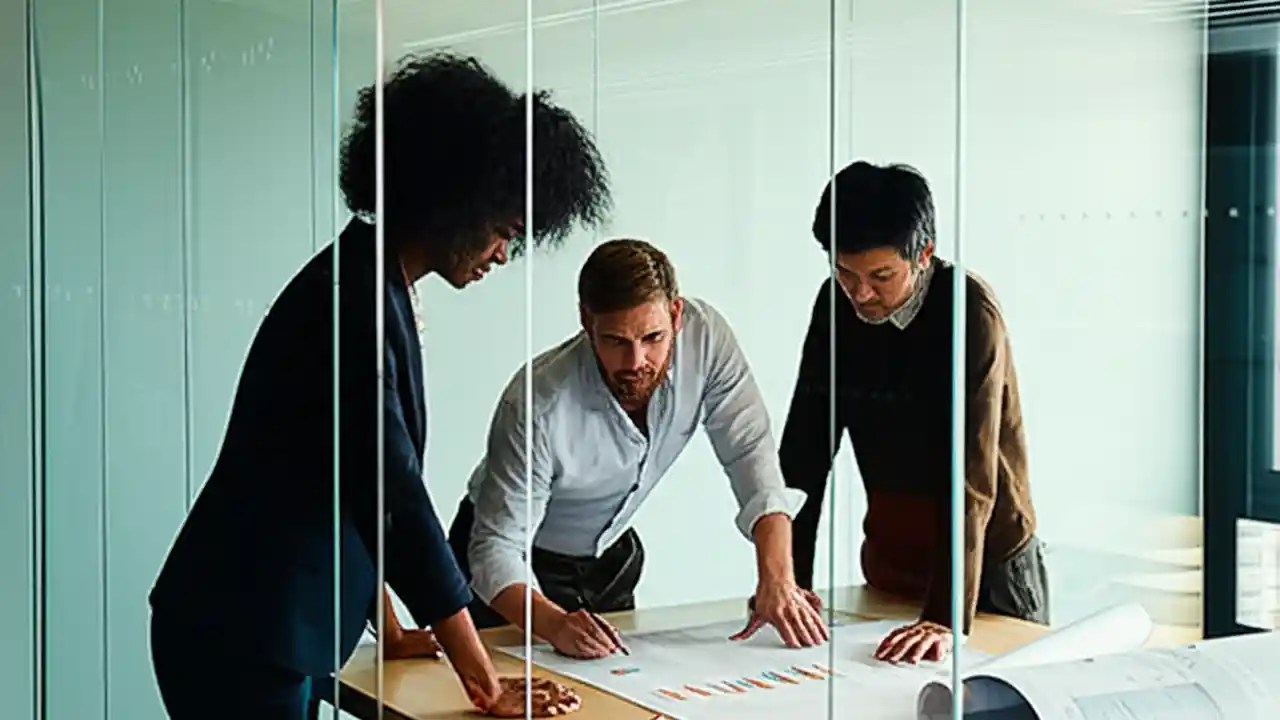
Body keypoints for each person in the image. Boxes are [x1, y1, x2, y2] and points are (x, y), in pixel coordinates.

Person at [148, 52, 610, 718]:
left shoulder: (371, 280)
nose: (502, 255)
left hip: (273, 627)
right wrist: (482, 679)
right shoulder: (351, 299)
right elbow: (390, 492)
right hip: (244, 630)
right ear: (453, 201)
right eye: (502, 231)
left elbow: (351, 486)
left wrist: (391, 633)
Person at [446, 237, 828, 660]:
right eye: (615, 341)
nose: (635, 362)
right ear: (586, 321)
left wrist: (778, 579)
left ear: (677, 315)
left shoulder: (706, 340)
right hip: (506, 573)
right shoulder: (536, 404)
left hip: (609, 562)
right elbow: (497, 547)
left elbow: (750, 453)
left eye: (652, 337)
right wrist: (554, 623)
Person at [780, 161, 1047, 666]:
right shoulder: (835, 306)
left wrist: (945, 616)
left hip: (984, 570)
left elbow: (971, 476)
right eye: (845, 273)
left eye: (881, 276)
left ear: (922, 254)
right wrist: (790, 580)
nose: (860, 294)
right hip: (893, 559)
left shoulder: (968, 310)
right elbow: (803, 453)